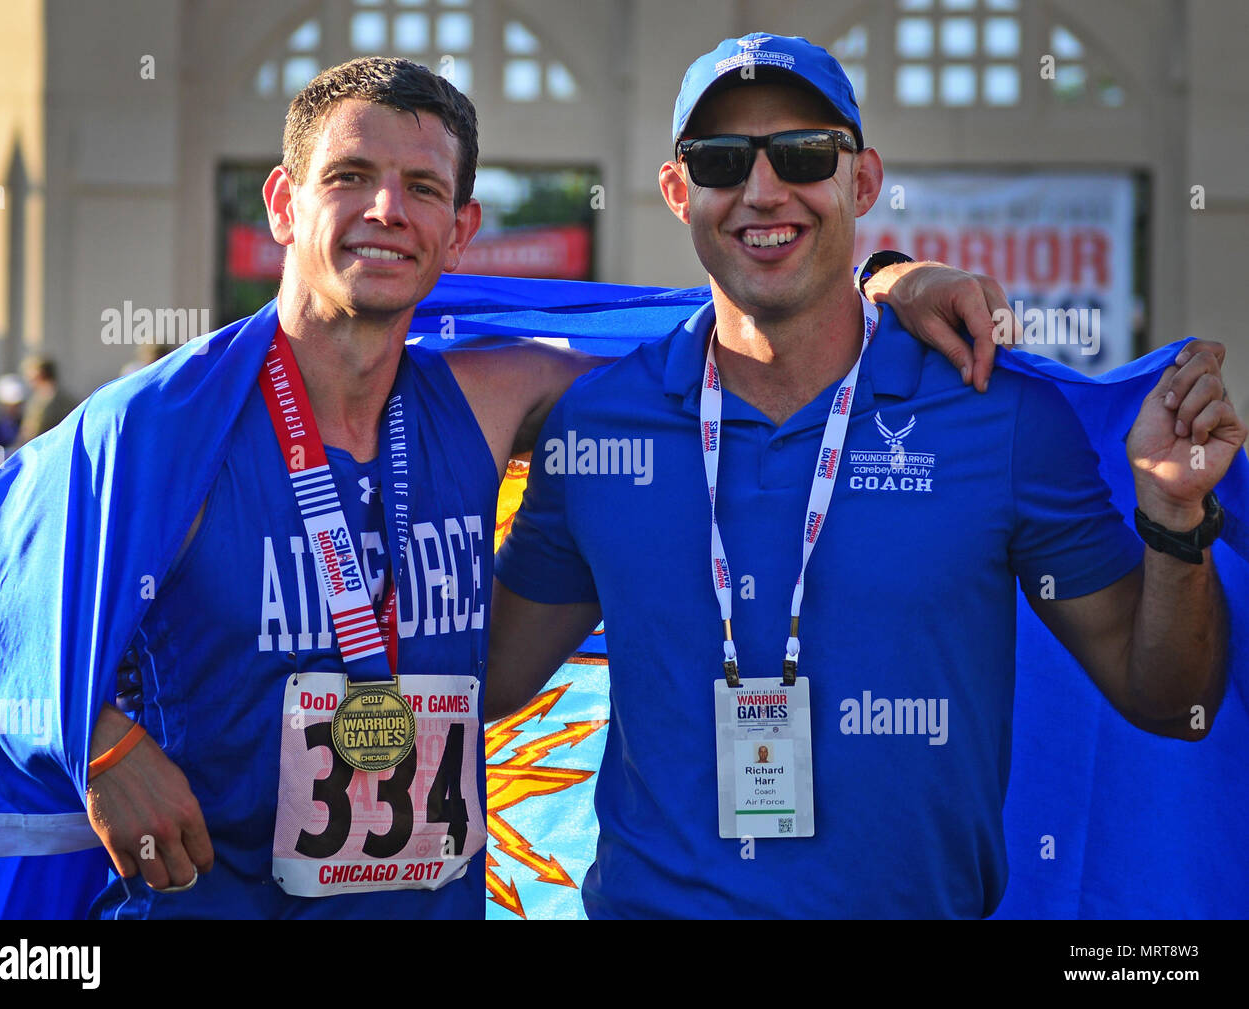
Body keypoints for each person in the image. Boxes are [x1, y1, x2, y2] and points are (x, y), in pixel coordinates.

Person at [0, 55, 1006, 920]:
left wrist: (882, 277)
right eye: (348, 177)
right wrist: (98, 743)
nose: (383, 210)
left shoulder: (499, 399)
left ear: (460, 230)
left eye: (421, 189)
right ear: (283, 201)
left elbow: (755, 357)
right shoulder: (157, 429)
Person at [488, 34, 1246, 918]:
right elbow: (491, 677)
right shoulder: (599, 428)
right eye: (722, 160)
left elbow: (1168, 699)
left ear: (863, 179)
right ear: (676, 190)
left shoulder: (997, 418)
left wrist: (1172, 514)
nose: (762, 190)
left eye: (804, 154)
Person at [15, 356, 78, 446]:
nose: (26, 378)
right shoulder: (65, 398)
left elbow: (31, 435)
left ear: (39, 374)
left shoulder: (43, 401)